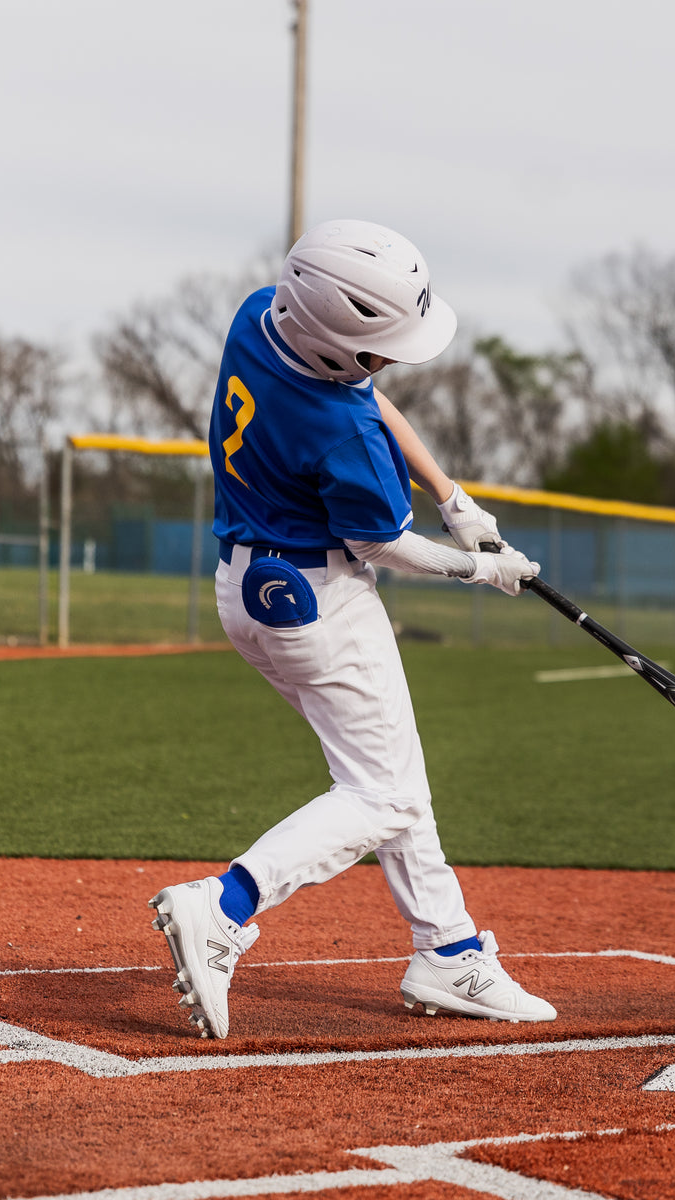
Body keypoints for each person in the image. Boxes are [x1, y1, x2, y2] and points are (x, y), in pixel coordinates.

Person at [148, 218, 556, 1039]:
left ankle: (448, 952)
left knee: (392, 773)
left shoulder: (265, 314)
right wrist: (482, 568)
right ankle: (225, 905)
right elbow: (379, 543)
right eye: (379, 348)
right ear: (339, 344)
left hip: (246, 590)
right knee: (384, 791)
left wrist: (452, 496)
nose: (392, 359)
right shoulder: (341, 433)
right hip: (318, 601)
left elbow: (366, 393)